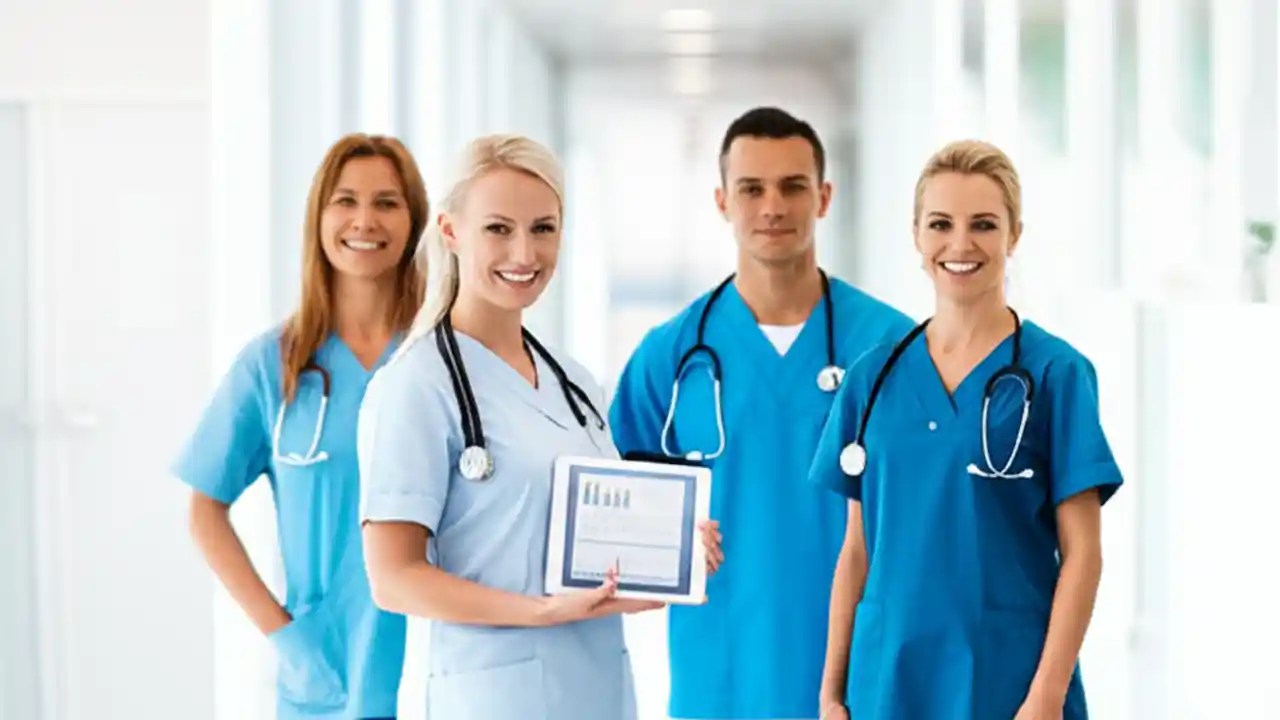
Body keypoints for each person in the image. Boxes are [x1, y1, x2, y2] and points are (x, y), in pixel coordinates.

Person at [357, 134, 720, 720]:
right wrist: (541, 611)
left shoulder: (573, 383)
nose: (524, 253)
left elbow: (591, 543)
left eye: (543, 228)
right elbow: (394, 579)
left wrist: (670, 552)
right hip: (491, 695)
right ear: (451, 232)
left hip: (595, 686)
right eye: (498, 229)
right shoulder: (415, 387)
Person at [608, 106, 913, 720]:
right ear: (722, 200)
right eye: (752, 189)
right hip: (719, 678)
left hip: (856, 683)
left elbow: (925, 513)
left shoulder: (890, 347)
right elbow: (616, 514)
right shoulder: (671, 355)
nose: (772, 206)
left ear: (823, 197)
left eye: (792, 187)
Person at [808, 139, 1123, 720]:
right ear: (916, 237)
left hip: (1008, 683)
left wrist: (1047, 696)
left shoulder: (1057, 375)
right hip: (887, 682)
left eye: (983, 224)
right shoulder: (872, 378)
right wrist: (831, 693)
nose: (960, 244)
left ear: (1014, 235)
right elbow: (856, 552)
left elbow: (1084, 554)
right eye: (940, 224)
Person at [173, 133, 428, 719]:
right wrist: (283, 635)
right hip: (326, 669)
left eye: (388, 202)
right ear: (319, 217)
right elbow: (203, 508)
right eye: (346, 200)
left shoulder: (439, 360)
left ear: (414, 221)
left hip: (432, 654)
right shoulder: (274, 364)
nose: (365, 219)